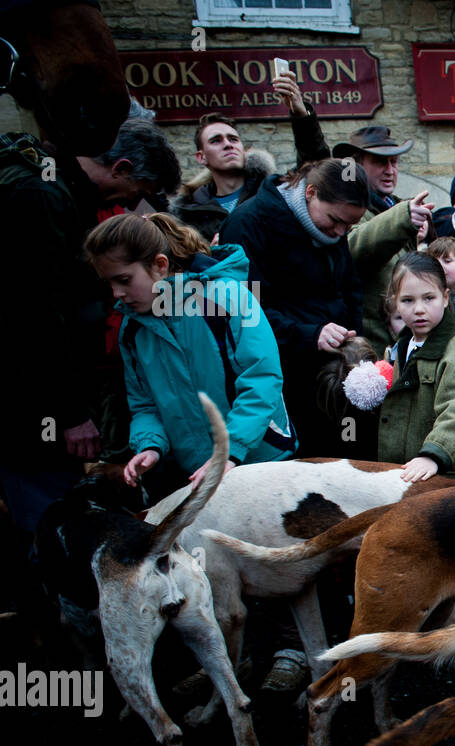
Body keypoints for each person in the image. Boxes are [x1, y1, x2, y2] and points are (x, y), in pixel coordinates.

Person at [0, 119, 180, 531]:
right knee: (50, 522)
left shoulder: (49, 177)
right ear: (119, 168)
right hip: (29, 405)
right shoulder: (42, 195)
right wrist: (69, 414)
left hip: (42, 396)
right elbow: (32, 316)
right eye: (134, 193)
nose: (132, 203)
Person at [83, 213, 293, 494]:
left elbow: (262, 378)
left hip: (259, 461)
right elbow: (144, 403)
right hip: (195, 473)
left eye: (123, 279)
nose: (116, 293)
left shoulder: (229, 296)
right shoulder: (133, 328)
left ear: (159, 264)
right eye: (109, 283)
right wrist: (151, 445)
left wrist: (230, 451)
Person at [221, 158, 367, 458]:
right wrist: (309, 335)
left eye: (350, 226)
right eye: (335, 220)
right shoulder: (247, 224)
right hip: (285, 378)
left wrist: (355, 338)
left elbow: (350, 286)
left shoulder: (328, 225)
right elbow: (246, 311)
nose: (340, 233)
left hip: (334, 372)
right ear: (310, 192)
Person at [171, 71, 328, 241]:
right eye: (216, 140)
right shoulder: (187, 212)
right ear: (201, 157)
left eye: (233, 139)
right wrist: (211, 254)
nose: (228, 144)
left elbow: (316, 167)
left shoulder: (271, 191)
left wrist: (301, 113)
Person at [377, 252, 455, 486]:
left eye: (429, 298)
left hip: (450, 480)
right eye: (408, 300)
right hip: (413, 476)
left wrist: (433, 454)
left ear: (445, 298)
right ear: (394, 301)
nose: (419, 309)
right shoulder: (406, 343)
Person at [331, 126, 435, 354]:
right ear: (357, 166)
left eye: (394, 162)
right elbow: (352, 248)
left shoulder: (394, 208)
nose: (390, 170)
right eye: (380, 162)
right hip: (372, 347)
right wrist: (403, 217)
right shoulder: (346, 209)